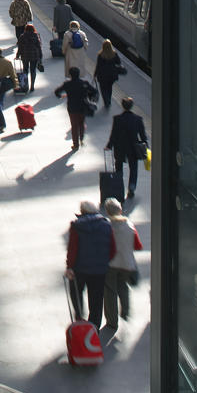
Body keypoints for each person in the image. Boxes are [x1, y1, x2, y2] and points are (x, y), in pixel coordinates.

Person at [65, 200, 113, 331]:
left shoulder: (76, 226)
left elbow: (72, 248)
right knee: (96, 299)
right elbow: (112, 248)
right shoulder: (107, 225)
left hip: (79, 269)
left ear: (82, 212)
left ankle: (80, 320)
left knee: (76, 292)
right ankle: (94, 327)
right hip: (99, 270)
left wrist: (69, 267)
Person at [103, 198, 143, 330]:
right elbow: (137, 246)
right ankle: (125, 312)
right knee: (123, 287)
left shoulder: (107, 227)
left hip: (111, 264)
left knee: (110, 291)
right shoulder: (130, 226)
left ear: (107, 212)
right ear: (120, 210)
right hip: (127, 263)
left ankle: (112, 321)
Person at [106, 98, 148, 199]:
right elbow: (143, 136)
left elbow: (114, 134)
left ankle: (119, 187)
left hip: (120, 147)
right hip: (133, 147)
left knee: (118, 167)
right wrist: (146, 147)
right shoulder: (138, 119)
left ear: (122, 105)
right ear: (132, 106)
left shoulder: (117, 119)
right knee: (133, 167)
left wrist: (109, 145)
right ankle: (132, 187)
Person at [55, 67, 98, 151]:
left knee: (74, 125)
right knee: (82, 123)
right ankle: (81, 138)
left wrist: (62, 95)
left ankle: (75, 144)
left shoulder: (67, 84)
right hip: (83, 106)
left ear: (70, 75)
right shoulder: (84, 83)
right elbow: (94, 91)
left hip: (72, 107)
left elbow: (57, 92)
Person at [94, 39, 124, 109]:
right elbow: (118, 62)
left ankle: (106, 102)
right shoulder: (114, 54)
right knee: (109, 88)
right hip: (112, 75)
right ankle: (109, 101)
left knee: (103, 88)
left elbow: (98, 65)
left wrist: (95, 74)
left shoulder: (101, 54)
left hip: (102, 75)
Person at [16, 22, 43, 93]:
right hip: (34, 55)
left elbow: (20, 47)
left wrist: (17, 55)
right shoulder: (36, 36)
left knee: (25, 70)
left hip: (25, 55)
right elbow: (39, 47)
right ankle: (32, 86)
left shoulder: (22, 36)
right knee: (33, 70)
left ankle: (26, 85)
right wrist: (40, 55)